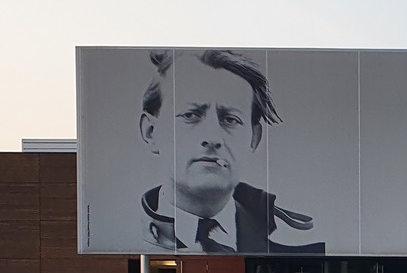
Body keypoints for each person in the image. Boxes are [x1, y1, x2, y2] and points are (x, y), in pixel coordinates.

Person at [136, 49, 324, 253]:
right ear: (151, 131)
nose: (213, 138)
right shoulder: (121, 235)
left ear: (254, 138)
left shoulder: (297, 241)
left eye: (230, 120)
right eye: (190, 115)